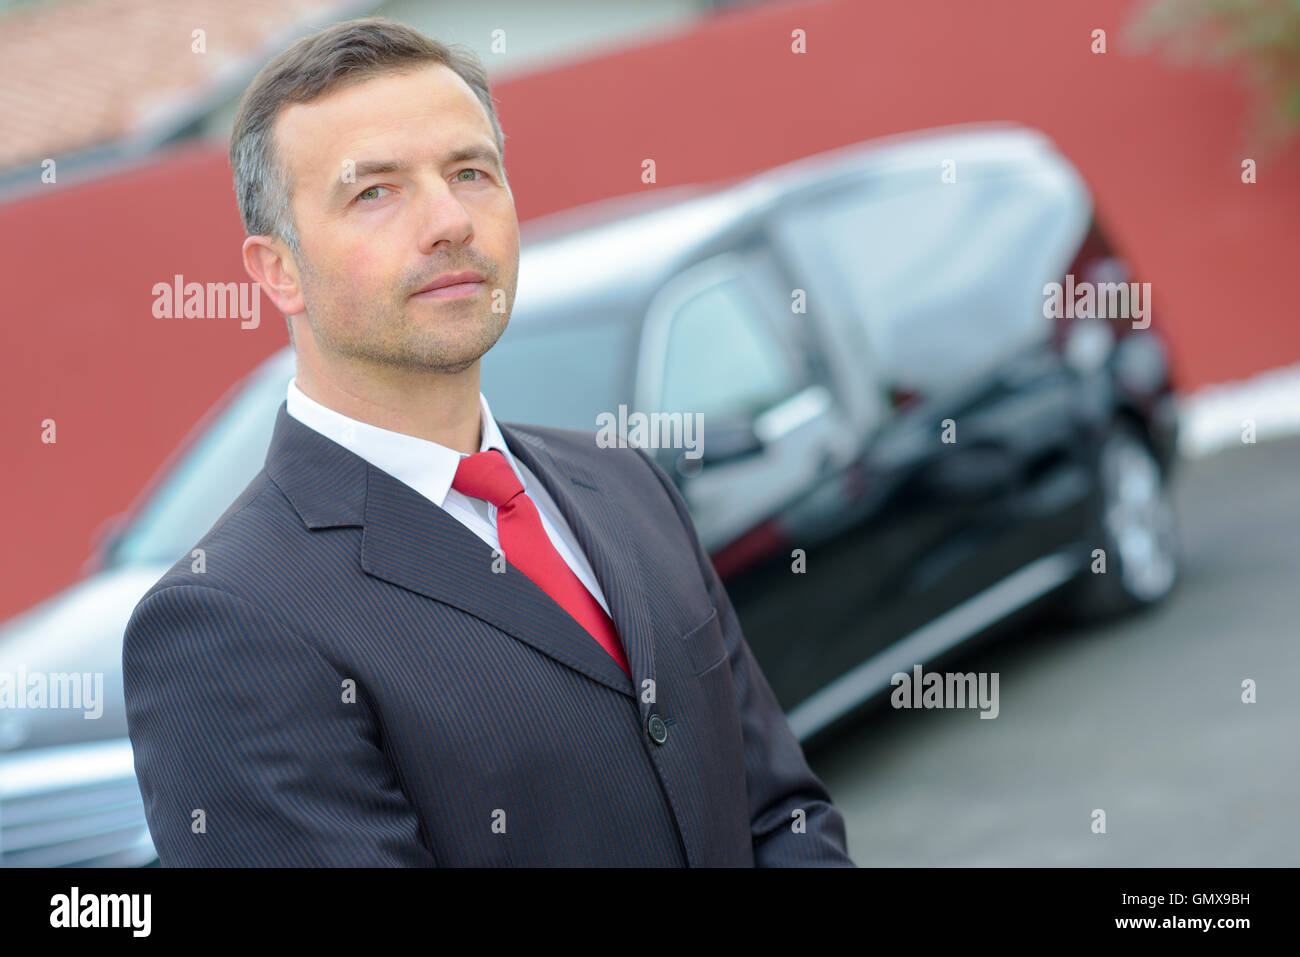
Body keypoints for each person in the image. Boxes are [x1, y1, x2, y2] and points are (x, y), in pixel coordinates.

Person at [122, 16, 854, 867]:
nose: (449, 220)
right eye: (375, 191)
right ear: (278, 270)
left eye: (470, 172)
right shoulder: (226, 622)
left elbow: (783, 812)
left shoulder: (625, 482)